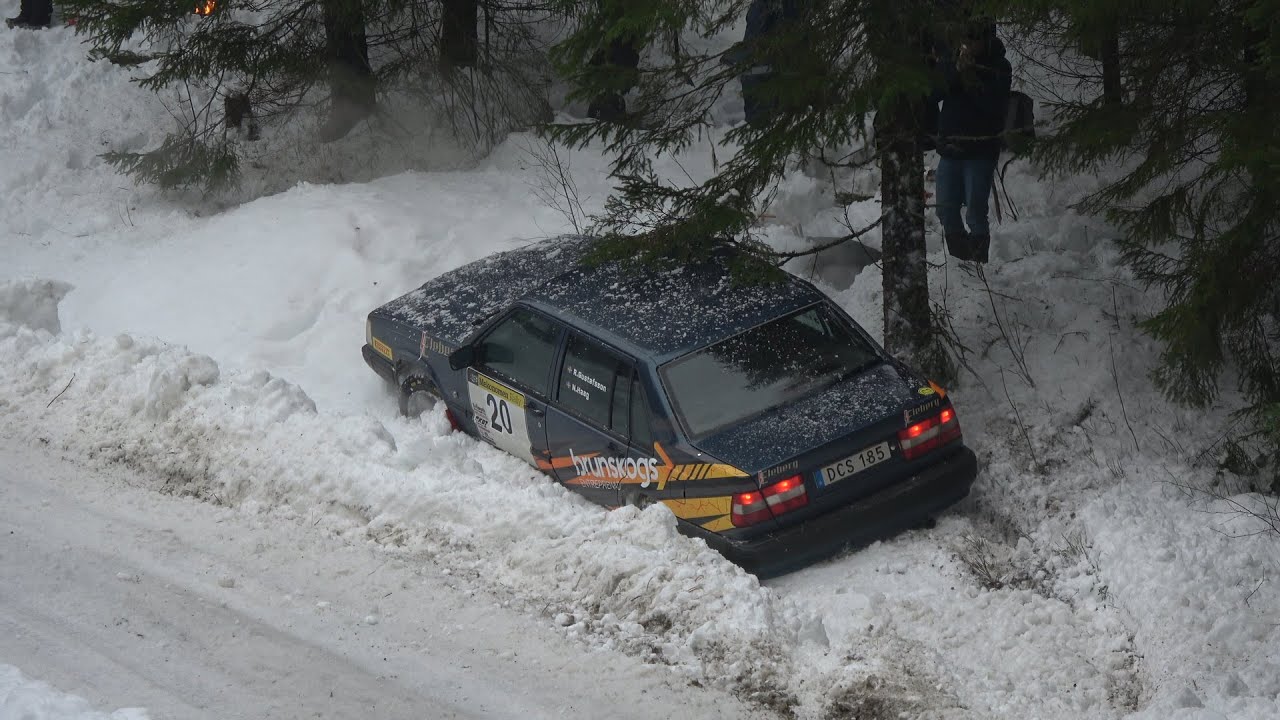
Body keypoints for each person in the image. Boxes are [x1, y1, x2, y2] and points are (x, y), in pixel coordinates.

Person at [933, 21, 1011, 263]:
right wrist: (956, 72)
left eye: (973, 40)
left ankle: (978, 263)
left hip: (980, 150)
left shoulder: (999, 65)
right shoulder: (953, 59)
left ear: (985, 41)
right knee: (946, 208)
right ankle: (959, 260)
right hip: (950, 148)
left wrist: (970, 77)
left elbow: (994, 107)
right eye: (964, 39)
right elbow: (936, 92)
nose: (968, 45)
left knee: (976, 212)